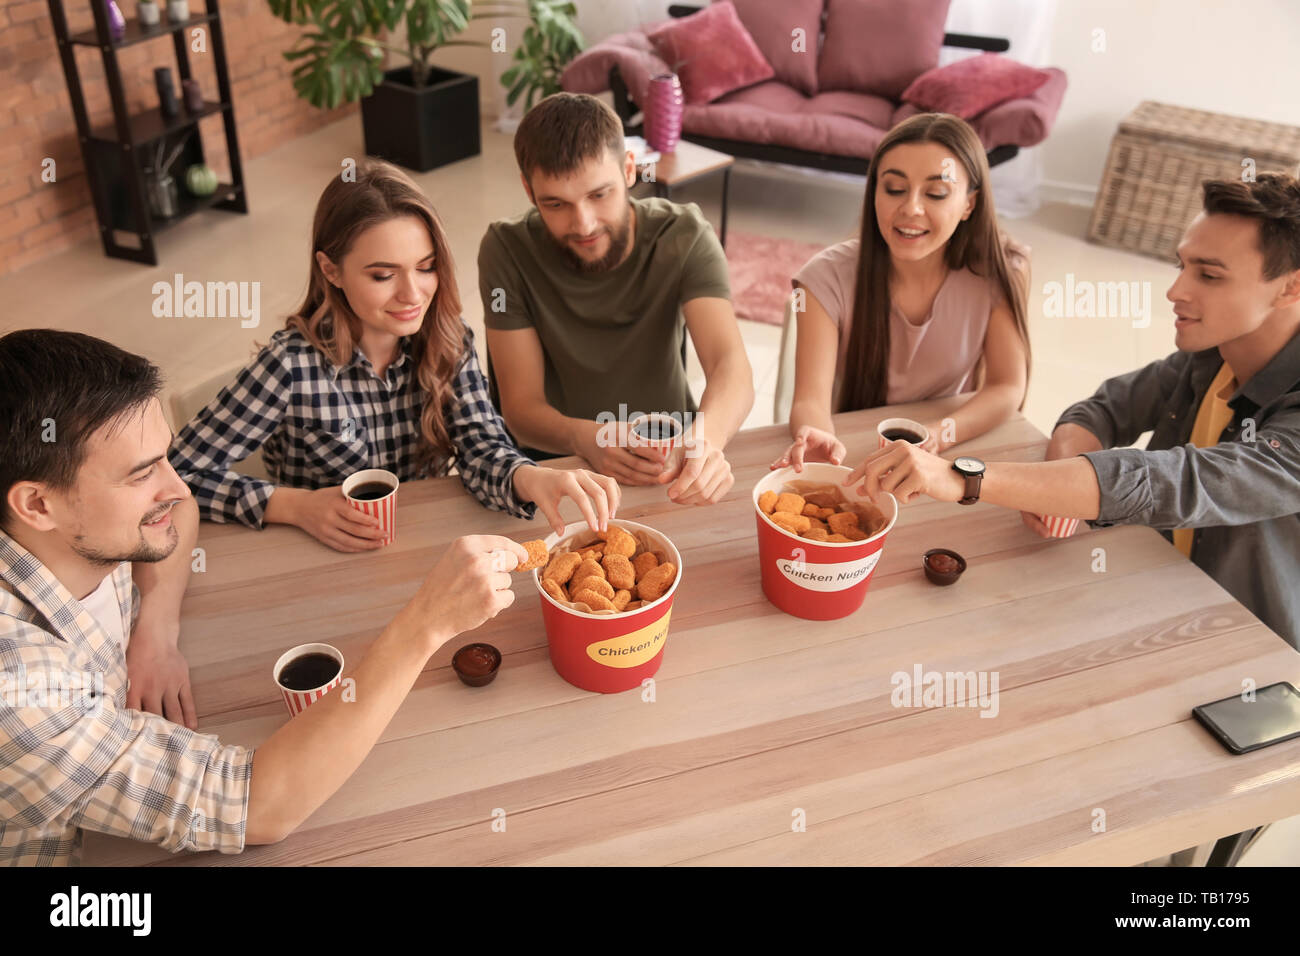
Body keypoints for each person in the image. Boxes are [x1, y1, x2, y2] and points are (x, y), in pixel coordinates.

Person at [0, 329, 531, 865]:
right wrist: (428, 623)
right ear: (37, 505)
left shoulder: (69, 534)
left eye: (164, 459)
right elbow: (257, 808)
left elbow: (180, 511)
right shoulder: (15, 685)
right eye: (142, 476)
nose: (177, 486)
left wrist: (156, 632)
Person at [843, 174, 1300, 650]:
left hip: (1250, 648)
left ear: (1291, 287)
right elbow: (1101, 410)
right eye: (1181, 265)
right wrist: (1058, 486)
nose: (1175, 290)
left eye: (1209, 275)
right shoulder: (1212, 354)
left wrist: (966, 478)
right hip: (1154, 593)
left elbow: (1181, 481)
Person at [169, 159, 619, 553]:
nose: (412, 294)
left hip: (420, 547)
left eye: (426, 267)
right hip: (319, 560)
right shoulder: (290, 366)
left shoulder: (449, 339)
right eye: (383, 275)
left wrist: (530, 477)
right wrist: (293, 506)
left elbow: (481, 445)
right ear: (332, 271)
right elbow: (174, 478)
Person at [479, 92, 754, 505]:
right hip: (558, 468)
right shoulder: (505, 249)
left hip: (671, 456)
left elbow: (730, 366)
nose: (584, 224)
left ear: (629, 170)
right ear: (528, 190)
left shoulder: (683, 236)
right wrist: (584, 438)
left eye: (599, 194)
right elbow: (520, 409)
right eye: (556, 204)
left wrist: (707, 440)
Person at [772, 112, 1031, 471]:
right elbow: (809, 400)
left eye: (937, 193)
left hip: (954, 449)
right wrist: (815, 434)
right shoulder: (822, 279)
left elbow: (1006, 386)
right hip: (855, 451)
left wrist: (937, 435)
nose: (910, 208)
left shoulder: (1002, 271)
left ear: (969, 204)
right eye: (894, 189)